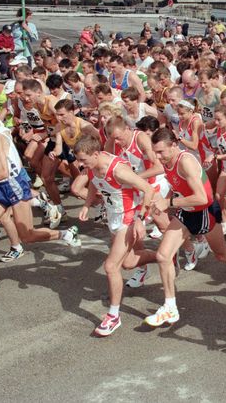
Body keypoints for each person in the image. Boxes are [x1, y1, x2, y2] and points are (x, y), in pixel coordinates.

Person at [0, 108, 81, 295]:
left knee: (28, 236)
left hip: (15, 184)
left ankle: (65, 235)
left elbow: (2, 171)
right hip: (1, 187)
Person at [144, 128, 226, 327]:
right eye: (154, 151)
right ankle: (170, 307)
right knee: (163, 256)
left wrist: (170, 204)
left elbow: (203, 198)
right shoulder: (167, 161)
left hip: (204, 212)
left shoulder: (186, 161)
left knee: (221, 254)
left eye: (160, 152)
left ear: (174, 145)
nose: (157, 156)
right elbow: (176, 187)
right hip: (186, 210)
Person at [74, 136, 157, 337]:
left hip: (128, 218)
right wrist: (87, 204)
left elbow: (147, 189)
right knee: (128, 263)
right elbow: (94, 181)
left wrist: (140, 219)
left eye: (84, 160)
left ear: (95, 154)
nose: (80, 164)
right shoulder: (93, 166)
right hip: (113, 216)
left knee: (111, 266)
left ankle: (113, 316)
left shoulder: (119, 170)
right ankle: (163, 255)